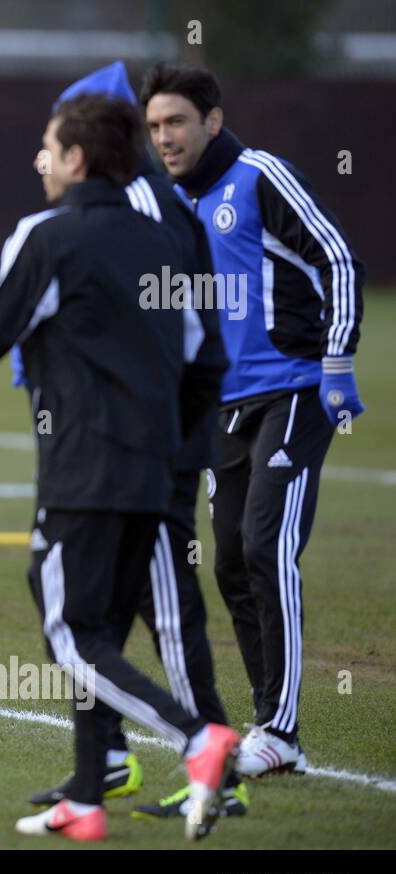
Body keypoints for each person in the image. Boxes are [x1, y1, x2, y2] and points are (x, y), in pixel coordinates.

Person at [0, 94, 239, 841]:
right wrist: (167, 443)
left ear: (76, 159)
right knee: (99, 634)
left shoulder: (51, 237)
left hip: (84, 472)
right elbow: (206, 362)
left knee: (71, 634)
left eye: (49, 147)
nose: (42, 160)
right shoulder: (167, 240)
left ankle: (198, 737)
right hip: (155, 473)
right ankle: (88, 798)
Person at [16, 63, 247, 823]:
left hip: (150, 449)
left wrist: (176, 443)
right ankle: (104, 761)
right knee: (96, 612)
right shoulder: (123, 203)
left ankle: (214, 760)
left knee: (166, 608)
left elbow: (196, 326)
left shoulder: (148, 209)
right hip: (124, 440)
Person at [141, 62, 365, 778]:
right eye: (153, 126)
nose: (165, 137)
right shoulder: (172, 205)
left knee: (265, 544)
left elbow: (338, 257)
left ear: (212, 119)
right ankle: (273, 727)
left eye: (177, 121)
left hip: (296, 391)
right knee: (231, 560)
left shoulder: (261, 175)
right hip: (221, 411)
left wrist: (337, 359)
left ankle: (280, 726)